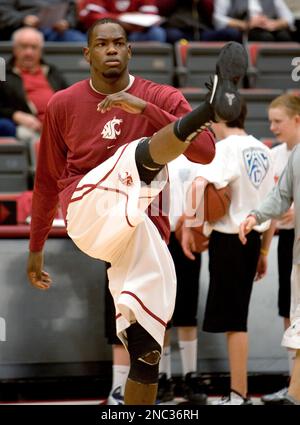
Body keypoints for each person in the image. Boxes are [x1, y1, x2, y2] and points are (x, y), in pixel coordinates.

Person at [26, 17, 248, 405]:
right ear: (87, 53)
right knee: (135, 155)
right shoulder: (62, 104)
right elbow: (46, 181)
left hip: (142, 230)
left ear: (130, 50)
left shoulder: (159, 95)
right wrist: (35, 249)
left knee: (147, 355)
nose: (111, 49)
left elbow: (207, 152)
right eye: (102, 44)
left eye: (119, 43)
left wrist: (144, 108)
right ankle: (208, 108)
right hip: (88, 212)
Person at [180, 100, 275, 405]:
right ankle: (239, 392)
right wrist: (263, 251)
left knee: (235, 322)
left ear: (217, 118)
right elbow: (271, 206)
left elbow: (197, 187)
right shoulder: (263, 149)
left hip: (229, 240)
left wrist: (191, 229)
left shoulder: (225, 149)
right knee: (237, 319)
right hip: (253, 239)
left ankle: (238, 393)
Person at [239, 143, 300, 405]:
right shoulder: (297, 153)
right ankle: (294, 394)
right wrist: (256, 215)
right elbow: (281, 195)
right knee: (298, 325)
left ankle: (294, 394)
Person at [258, 95, 300, 404]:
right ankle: (293, 384)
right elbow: (275, 200)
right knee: (289, 312)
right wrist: (263, 250)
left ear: (296, 120)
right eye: (270, 121)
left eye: (277, 121)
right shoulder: (276, 155)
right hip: (287, 240)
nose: (272, 127)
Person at [0, 27, 67, 145]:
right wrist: (16, 115)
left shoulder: (51, 71)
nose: (28, 52)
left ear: (40, 51)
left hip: (59, 126)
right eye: (24, 46)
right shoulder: (3, 73)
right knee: (30, 138)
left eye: (34, 47)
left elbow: (69, 98)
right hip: (28, 127)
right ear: (15, 49)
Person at [77, 0, 167, 42]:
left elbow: (150, 14)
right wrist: (120, 19)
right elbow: (93, 16)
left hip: (136, 31)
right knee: (95, 32)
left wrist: (135, 22)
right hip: (109, 30)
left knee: (156, 33)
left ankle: (147, 68)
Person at [0, 0, 86, 42]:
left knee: (81, 42)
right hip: (24, 29)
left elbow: (71, 9)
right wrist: (23, 18)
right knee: (27, 40)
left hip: (57, 30)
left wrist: (67, 22)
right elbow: (3, 11)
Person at [213, 0, 296, 42]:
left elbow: (289, 17)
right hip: (244, 31)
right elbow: (217, 19)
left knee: (284, 37)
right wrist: (245, 24)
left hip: (268, 28)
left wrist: (274, 24)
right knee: (265, 38)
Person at [164, 0, 241, 43]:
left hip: (202, 31)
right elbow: (163, 8)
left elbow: (213, 16)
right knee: (172, 35)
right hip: (180, 28)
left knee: (232, 33)